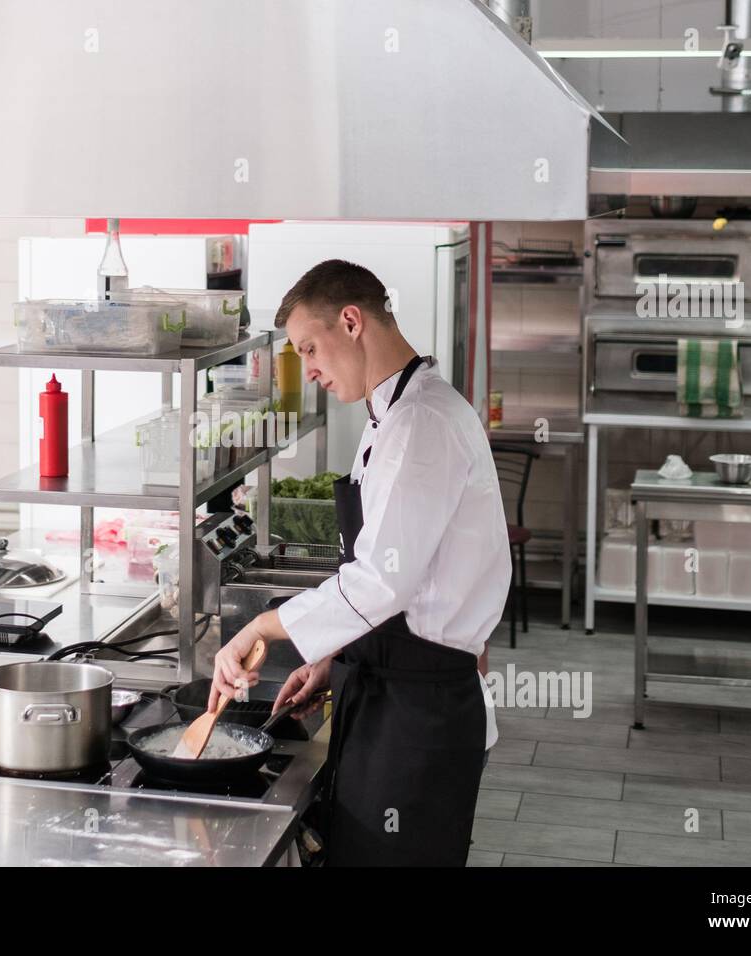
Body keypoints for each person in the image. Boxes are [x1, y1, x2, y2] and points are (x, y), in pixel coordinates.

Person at [208, 259, 510, 866]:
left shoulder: (422, 422)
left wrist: (261, 626)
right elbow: (404, 574)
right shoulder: (392, 414)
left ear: (351, 321)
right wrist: (333, 654)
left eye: (308, 348)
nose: (308, 368)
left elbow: (381, 580)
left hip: (420, 714)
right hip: (396, 690)